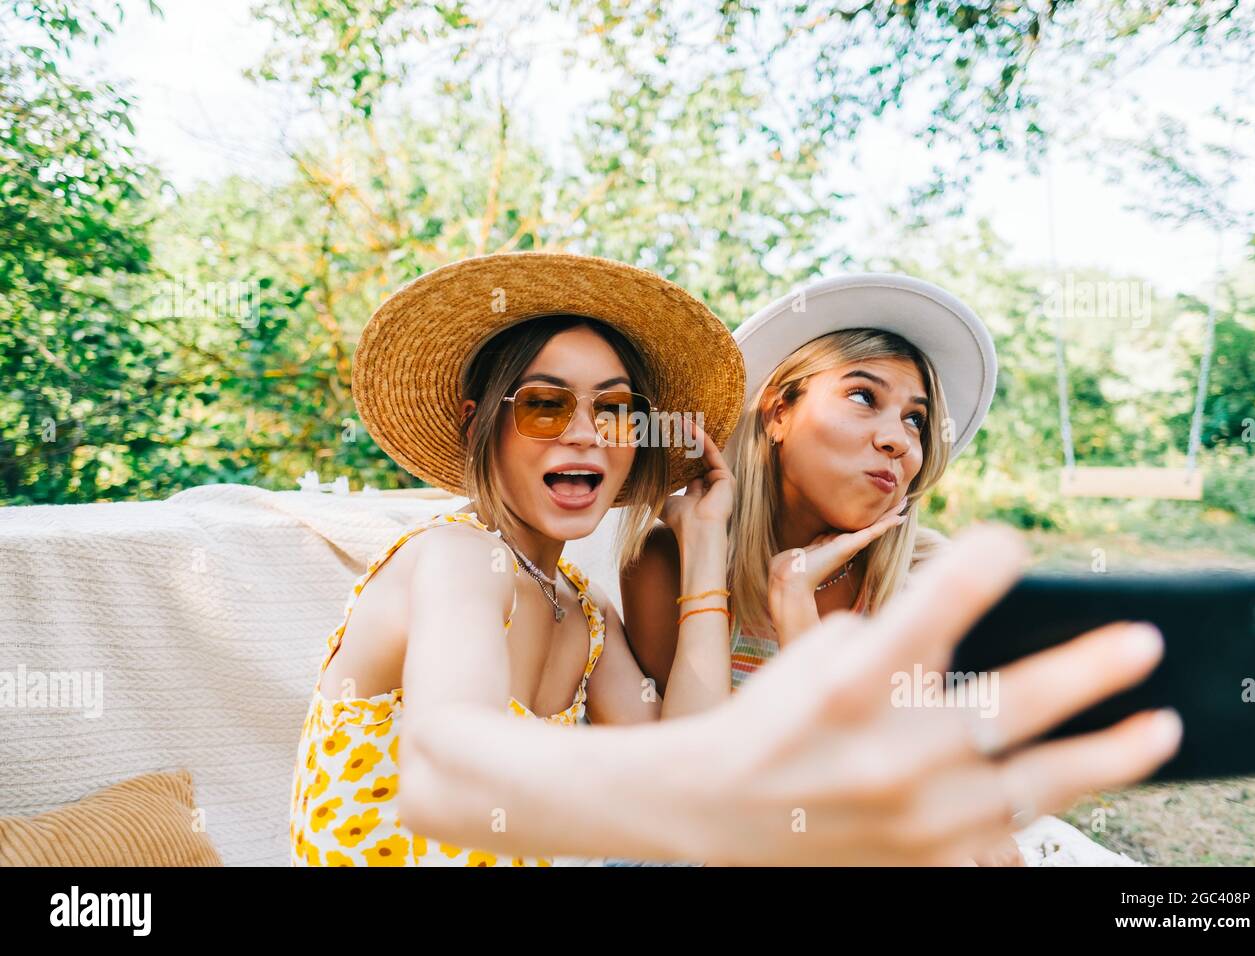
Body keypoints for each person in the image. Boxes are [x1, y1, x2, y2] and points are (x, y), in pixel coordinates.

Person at [290, 254, 1181, 866]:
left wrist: (709, 545)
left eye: (617, 411)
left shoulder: (585, 614)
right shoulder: (453, 559)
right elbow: (451, 759)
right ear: (474, 423)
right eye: (544, 406)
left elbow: (692, 761)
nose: (586, 434)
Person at [618, 274, 1022, 864]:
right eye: (864, 397)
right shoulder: (666, 563)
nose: (898, 441)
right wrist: (706, 549)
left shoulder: (924, 579)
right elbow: (702, 786)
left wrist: (797, 611)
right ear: (779, 411)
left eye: (916, 419)